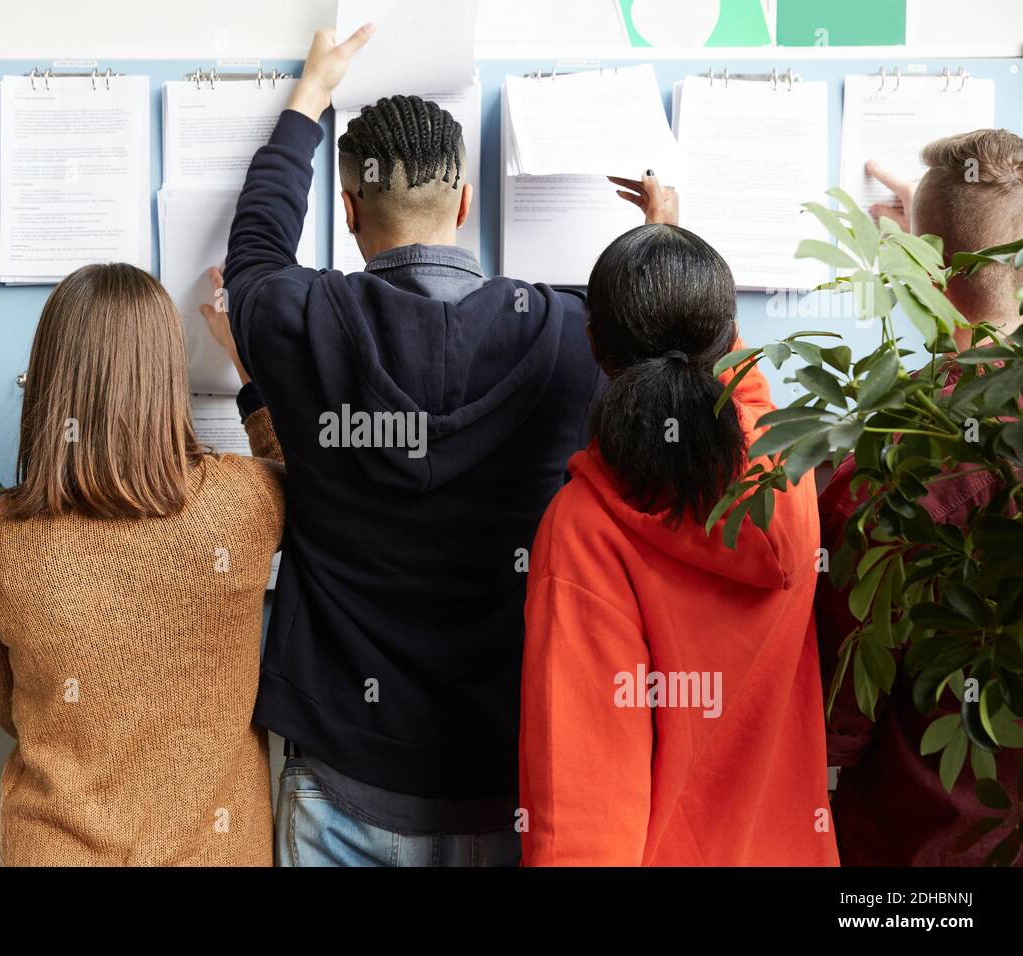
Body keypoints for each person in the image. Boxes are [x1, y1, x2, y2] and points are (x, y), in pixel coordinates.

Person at [221, 25, 664, 867]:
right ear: (464, 204)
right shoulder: (571, 337)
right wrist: (666, 239)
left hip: (343, 769)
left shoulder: (295, 318)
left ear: (347, 212)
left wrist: (310, 93)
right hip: (505, 773)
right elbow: (658, 344)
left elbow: (254, 248)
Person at [519, 194, 840, 865]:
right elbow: (737, 386)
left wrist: (652, 270)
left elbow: (582, 813)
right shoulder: (788, 468)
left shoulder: (584, 528)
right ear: (724, 338)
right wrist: (671, 258)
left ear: (592, 347)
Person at [0, 262, 284, 866]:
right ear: (166, 378)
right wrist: (252, 374)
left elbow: (10, 710)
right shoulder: (244, 502)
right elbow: (329, 492)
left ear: (50, 381)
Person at [818, 129, 1023, 865]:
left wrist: (930, 257)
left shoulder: (898, 455)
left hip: (927, 840)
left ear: (923, 267)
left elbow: (843, 701)